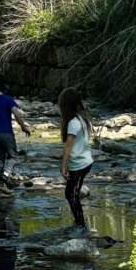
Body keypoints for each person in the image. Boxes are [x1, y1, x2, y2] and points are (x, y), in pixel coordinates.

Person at [58, 87, 94, 238]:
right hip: (83, 161)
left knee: (72, 194)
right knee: (70, 193)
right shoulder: (83, 118)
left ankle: (81, 226)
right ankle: (78, 222)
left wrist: (63, 165)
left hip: (80, 164)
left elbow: (68, 146)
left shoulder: (74, 122)